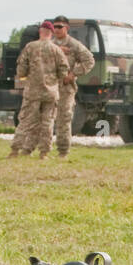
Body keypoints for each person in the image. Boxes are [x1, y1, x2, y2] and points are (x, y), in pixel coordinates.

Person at [8, 21, 69, 159]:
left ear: (40, 32)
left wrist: (27, 75)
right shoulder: (57, 50)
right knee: (48, 122)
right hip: (51, 92)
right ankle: (44, 153)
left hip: (32, 92)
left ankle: (15, 150)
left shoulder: (30, 47)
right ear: (51, 33)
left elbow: (21, 70)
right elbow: (64, 71)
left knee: (25, 121)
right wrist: (55, 79)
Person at [49, 16, 95, 158]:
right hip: (49, 87)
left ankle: (63, 151)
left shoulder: (74, 45)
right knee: (46, 118)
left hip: (65, 88)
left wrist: (73, 74)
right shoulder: (49, 44)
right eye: (54, 27)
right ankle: (44, 149)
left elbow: (89, 60)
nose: (56, 30)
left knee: (64, 119)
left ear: (66, 28)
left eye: (59, 27)